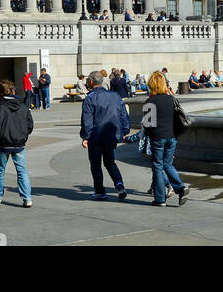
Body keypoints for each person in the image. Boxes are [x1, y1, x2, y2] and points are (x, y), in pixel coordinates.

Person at [141, 71, 190, 207]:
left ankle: (160, 199)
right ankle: (180, 188)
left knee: (157, 166)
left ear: (151, 85)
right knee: (168, 164)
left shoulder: (150, 102)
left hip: (157, 138)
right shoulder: (171, 99)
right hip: (172, 137)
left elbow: (147, 125)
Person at [79, 71, 129, 201]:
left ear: (90, 82)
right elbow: (123, 114)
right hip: (112, 134)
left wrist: (85, 137)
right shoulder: (115, 96)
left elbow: (87, 120)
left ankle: (100, 191)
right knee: (110, 162)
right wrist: (125, 130)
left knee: (96, 164)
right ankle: (119, 184)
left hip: (96, 136)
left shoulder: (90, 98)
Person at [0, 79, 33, 207]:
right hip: (19, 144)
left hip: (3, 143)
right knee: (22, 170)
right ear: (13, 91)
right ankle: (27, 198)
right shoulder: (24, 107)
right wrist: (23, 136)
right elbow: (30, 126)